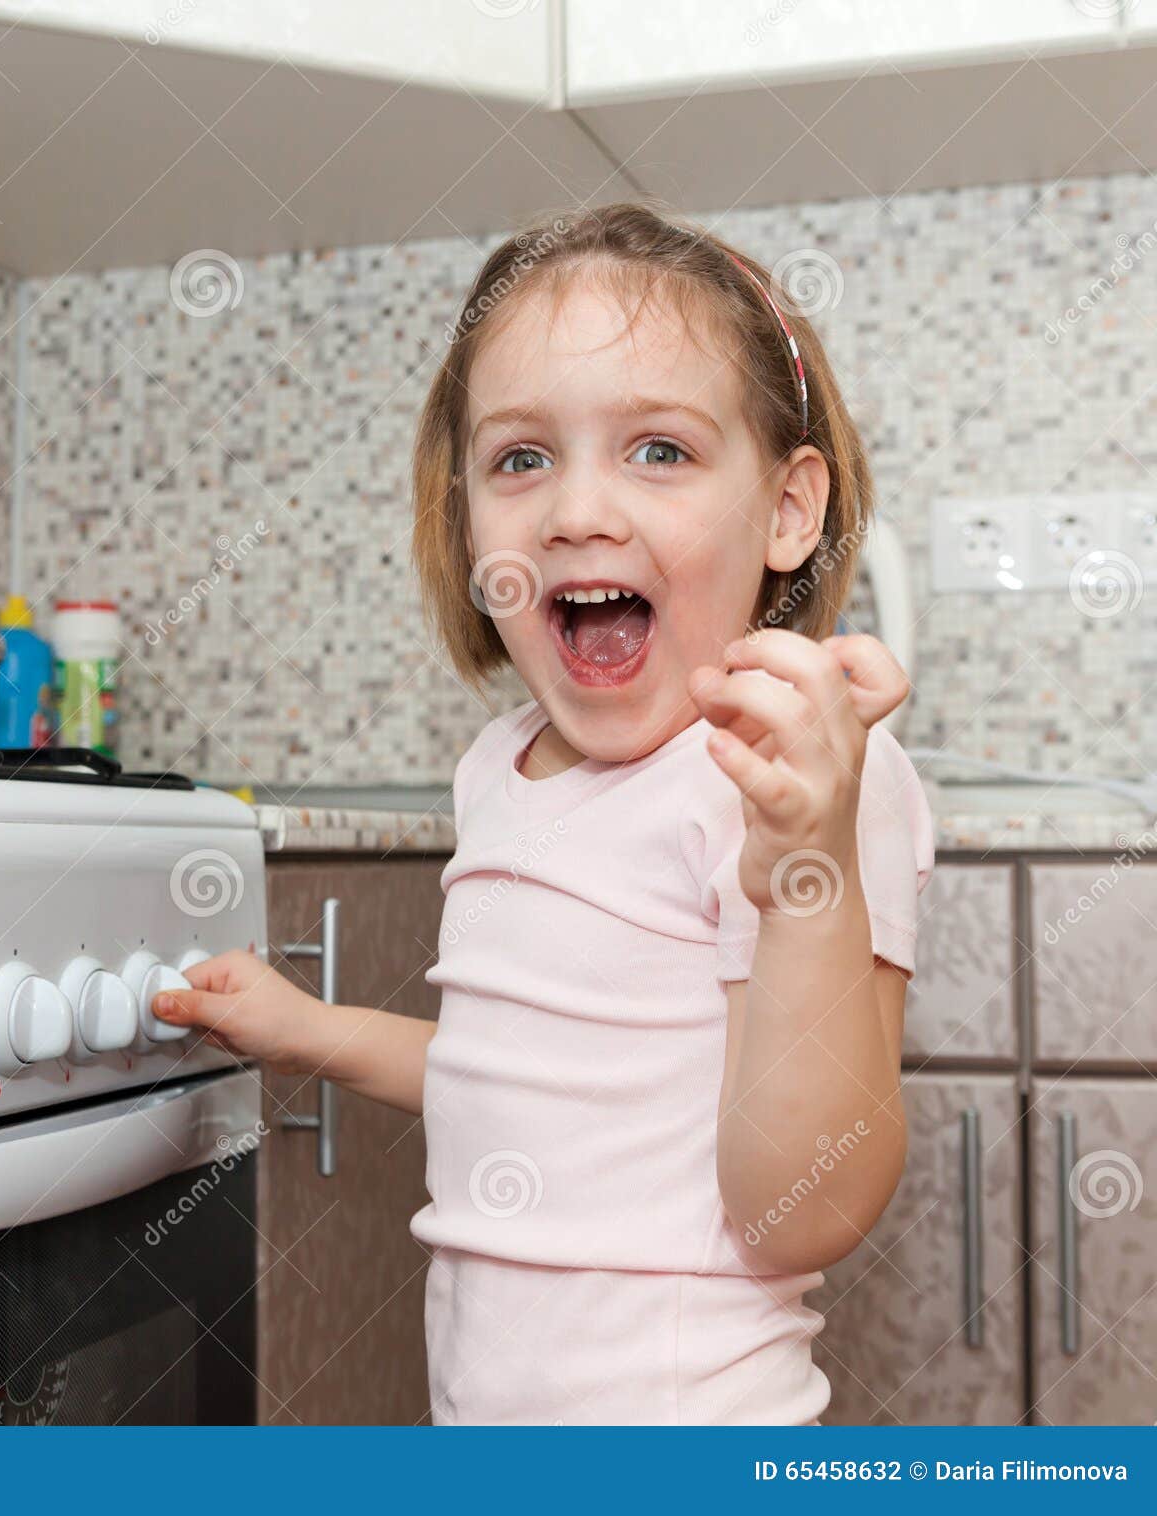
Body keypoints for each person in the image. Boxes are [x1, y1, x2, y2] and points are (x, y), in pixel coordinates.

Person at [154, 202, 935, 1424]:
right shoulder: (495, 767)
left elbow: (804, 1207)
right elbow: (540, 1083)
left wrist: (802, 874)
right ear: (467, 517)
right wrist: (313, 1031)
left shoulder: (803, 779)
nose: (575, 509)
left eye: (658, 450)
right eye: (521, 458)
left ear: (788, 509)